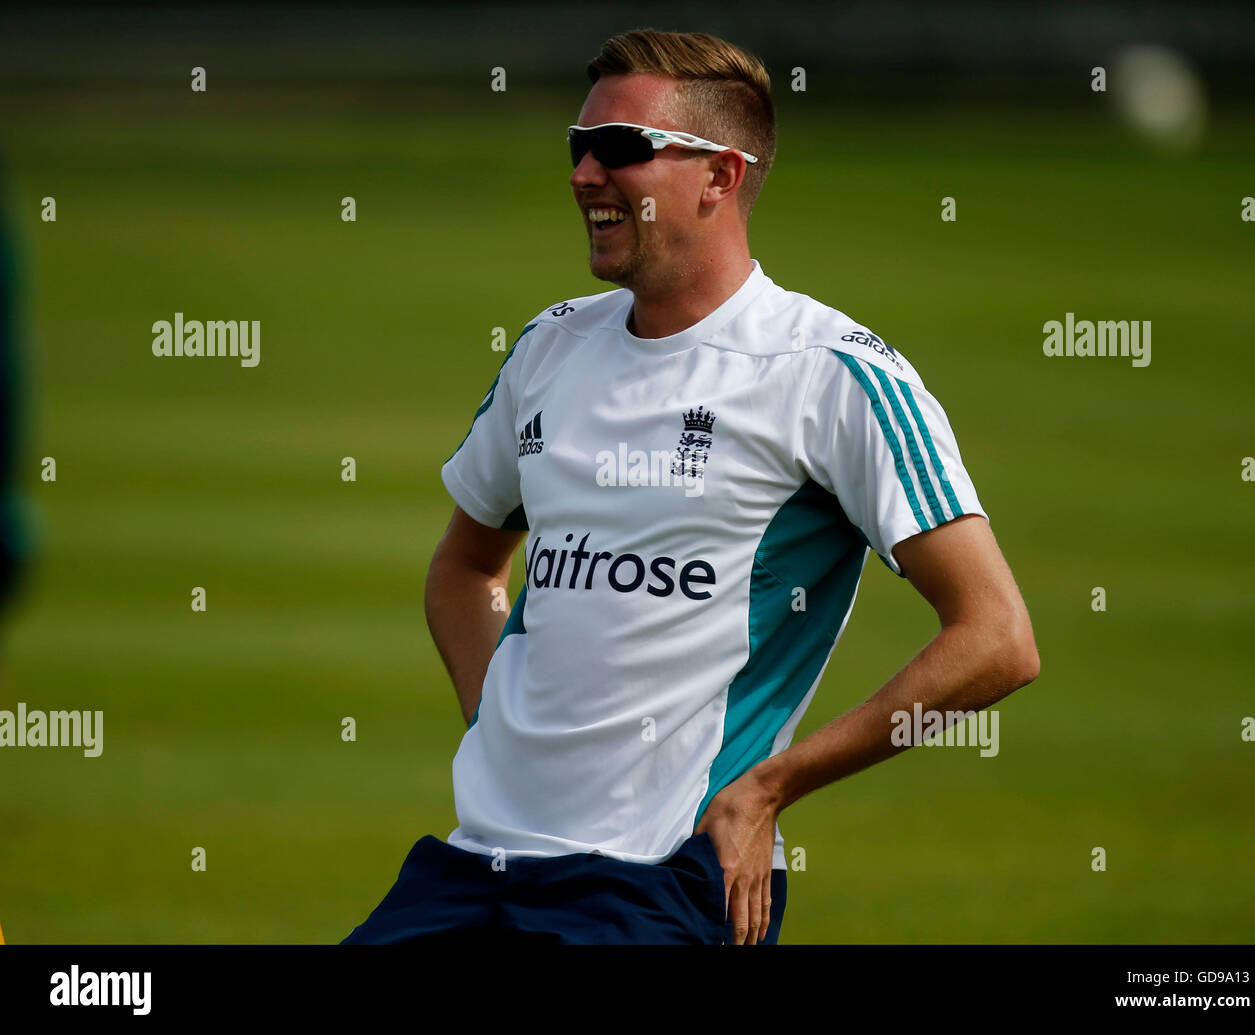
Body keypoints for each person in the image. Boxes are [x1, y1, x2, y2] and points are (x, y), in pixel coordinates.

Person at [343, 28, 1039, 946]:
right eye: (577, 148)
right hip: (473, 866)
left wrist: (770, 787)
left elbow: (997, 638)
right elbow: (465, 566)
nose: (585, 173)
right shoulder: (549, 347)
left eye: (621, 149)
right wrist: (496, 732)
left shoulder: (828, 372)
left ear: (720, 176)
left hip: (655, 885)